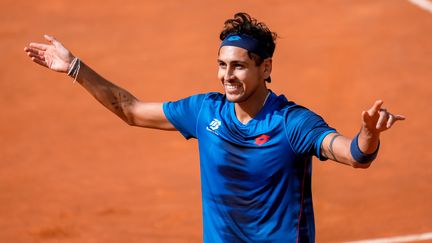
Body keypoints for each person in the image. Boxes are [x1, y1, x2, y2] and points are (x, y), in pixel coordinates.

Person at [24, 12, 404, 243]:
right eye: (222, 65)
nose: (227, 75)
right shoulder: (205, 111)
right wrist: (74, 67)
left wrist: (369, 134)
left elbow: (353, 155)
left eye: (238, 66)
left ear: (265, 68)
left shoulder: (292, 123)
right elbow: (131, 110)